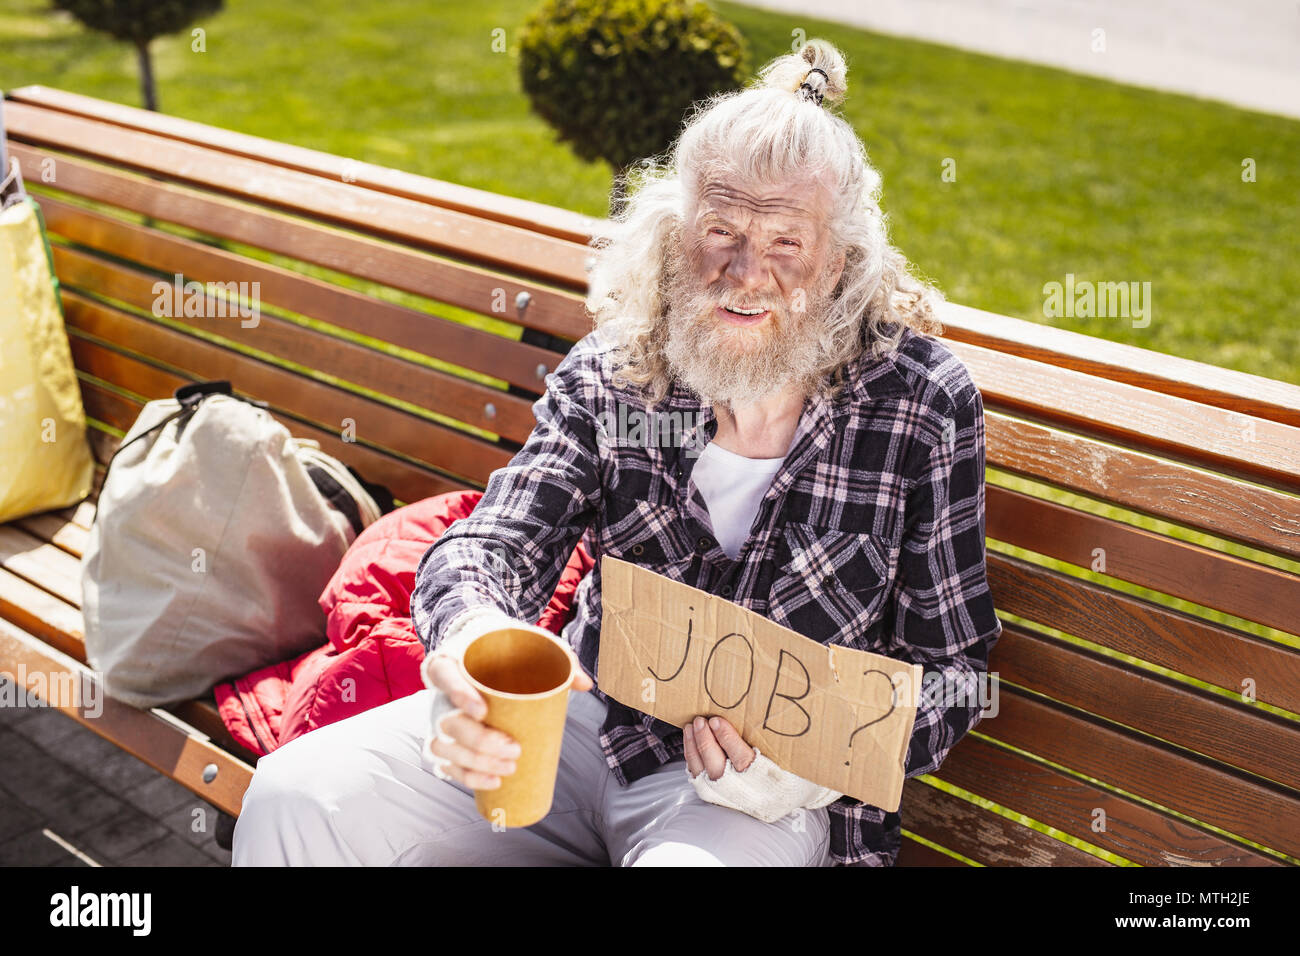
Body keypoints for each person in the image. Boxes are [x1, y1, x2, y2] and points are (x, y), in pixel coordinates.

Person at [231, 37, 1001, 867]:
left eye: (786, 243)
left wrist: (814, 768)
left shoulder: (919, 402)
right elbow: (492, 545)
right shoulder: (617, 371)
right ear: (674, 239)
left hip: (751, 796)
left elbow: (951, 668)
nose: (746, 274)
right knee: (296, 795)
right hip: (585, 726)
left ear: (842, 262)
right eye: (720, 231)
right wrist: (471, 642)